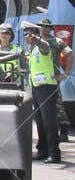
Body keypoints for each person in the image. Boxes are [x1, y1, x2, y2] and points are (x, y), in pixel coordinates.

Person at [25, 24, 63, 164]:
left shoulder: (43, 45)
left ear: (35, 35)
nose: (26, 37)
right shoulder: (31, 48)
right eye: (25, 35)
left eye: (29, 34)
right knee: (40, 121)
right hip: (36, 87)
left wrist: (37, 39)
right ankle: (42, 150)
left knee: (49, 121)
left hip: (47, 87)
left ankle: (54, 153)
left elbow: (45, 48)